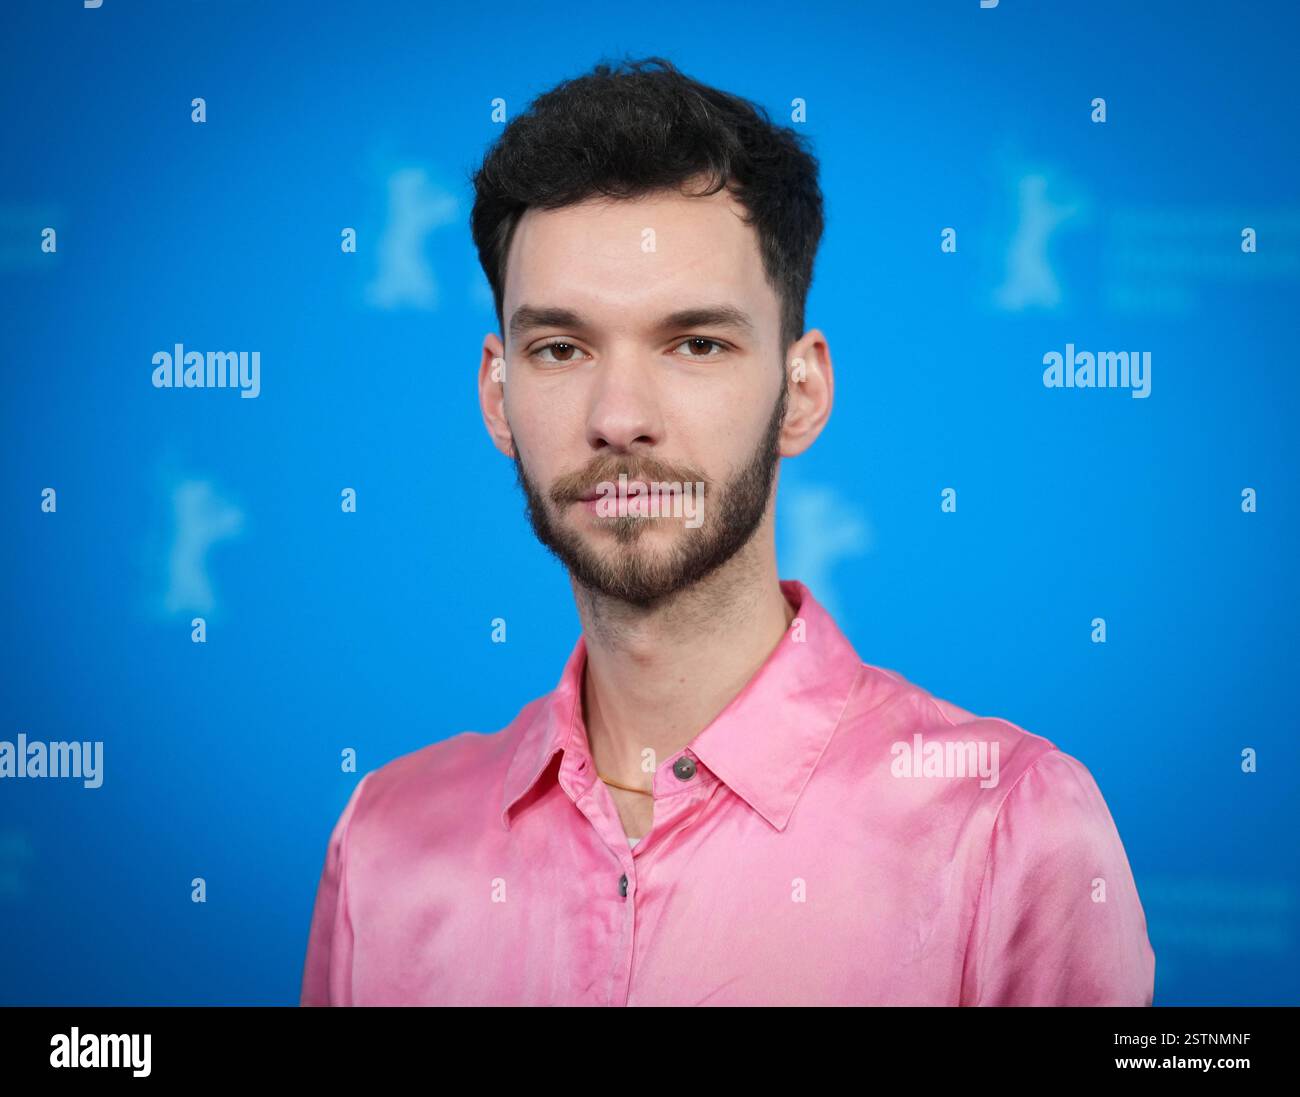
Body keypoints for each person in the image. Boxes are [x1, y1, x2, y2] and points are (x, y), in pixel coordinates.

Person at [300, 55, 1155, 1006]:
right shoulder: (384, 840)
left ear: (802, 391)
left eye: (696, 344)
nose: (620, 416)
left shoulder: (1012, 830)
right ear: (497, 396)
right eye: (561, 348)